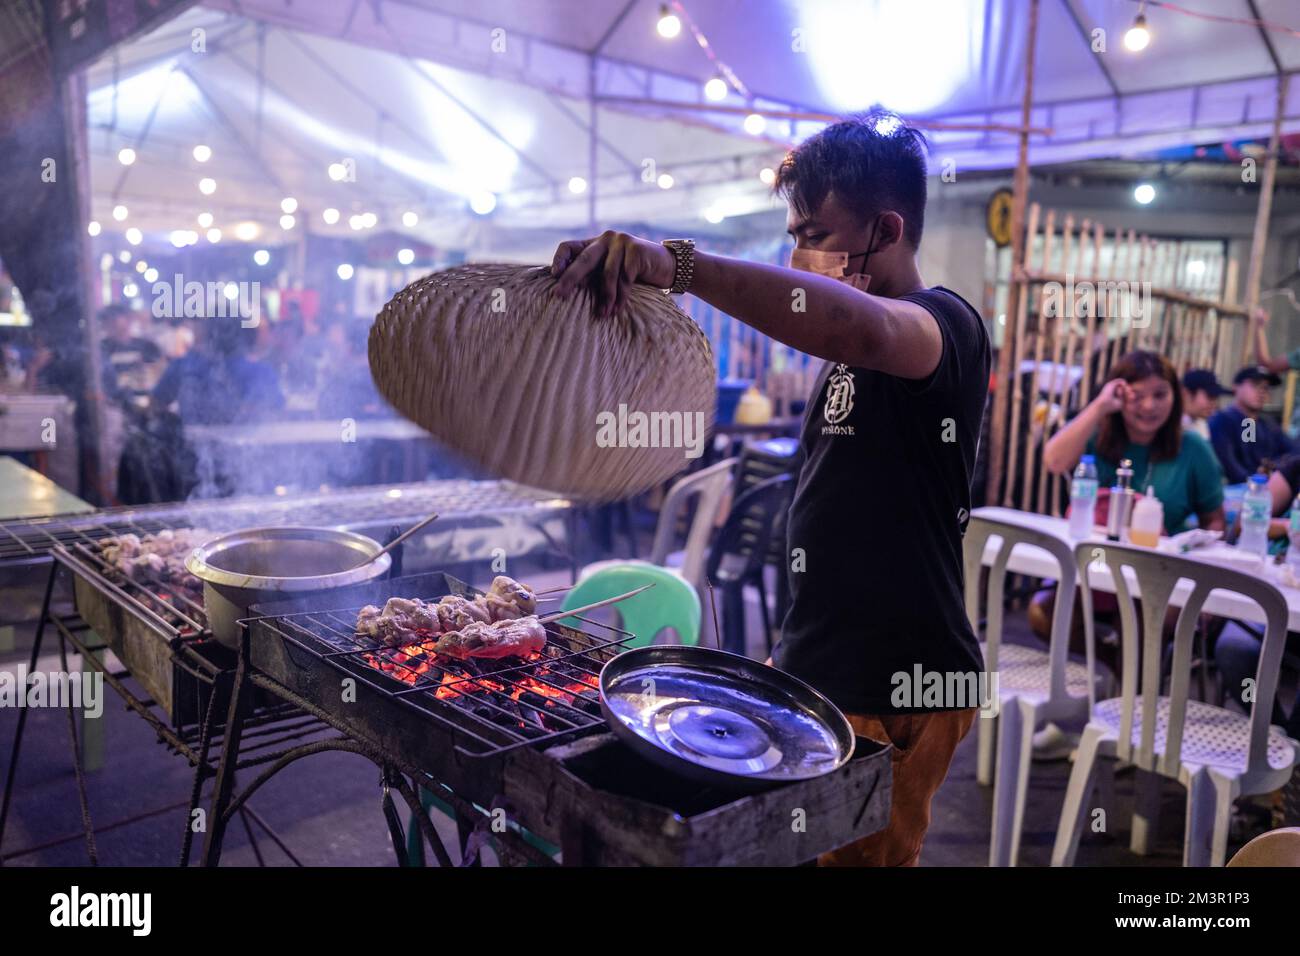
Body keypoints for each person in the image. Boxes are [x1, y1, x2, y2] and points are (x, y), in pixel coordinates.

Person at [550, 111, 989, 867]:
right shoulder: (849, 347)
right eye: (792, 231)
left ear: (886, 230)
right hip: (826, 665)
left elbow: (863, 330)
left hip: (899, 682)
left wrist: (676, 266)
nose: (796, 253)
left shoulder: (939, 327)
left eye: (813, 231)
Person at [1044, 350, 1225, 534]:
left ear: (1175, 397)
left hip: (1161, 558)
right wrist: (1100, 405)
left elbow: (1214, 521)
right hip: (1091, 552)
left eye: (1160, 395)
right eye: (1137, 396)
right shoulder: (1094, 435)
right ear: (1118, 395)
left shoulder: (1194, 447)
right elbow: (1054, 462)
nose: (1149, 406)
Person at [1207, 365, 1294, 484]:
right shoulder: (1222, 421)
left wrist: (1275, 466)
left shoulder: (1268, 424)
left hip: (1266, 491)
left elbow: (1294, 451)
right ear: (1236, 387)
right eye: (1255, 385)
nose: (1261, 392)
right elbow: (1232, 469)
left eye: (1266, 388)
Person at [99, 303, 162, 405]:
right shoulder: (100, 348)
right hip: (113, 404)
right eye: (105, 320)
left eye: (113, 319)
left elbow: (159, 375)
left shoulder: (147, 346)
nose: (108, 324)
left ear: (129, 320)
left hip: (145, 402)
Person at [1180, 368, 1229, 440]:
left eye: (1215, 398)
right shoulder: (1167, 423)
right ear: (1186, 394)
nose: (1213, 404)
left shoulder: (1202, 424)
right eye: (1210, 396)